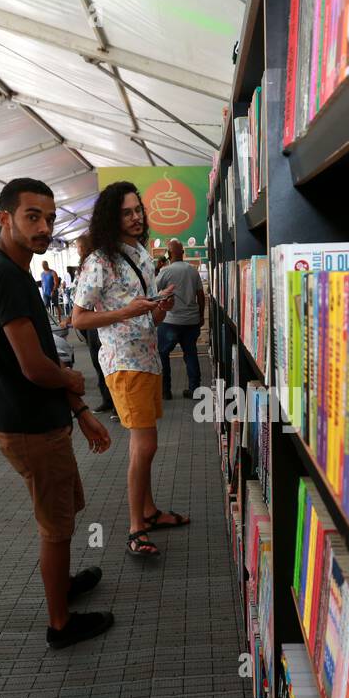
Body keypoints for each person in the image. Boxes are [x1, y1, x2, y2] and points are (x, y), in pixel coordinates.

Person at [0, 177, 114, 650]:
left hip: (38, 418)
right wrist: (73, 383)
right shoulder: (5, 277)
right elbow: (34, 366)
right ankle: (60, 624)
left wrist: (79, 409)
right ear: (4, 218)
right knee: (55, 527)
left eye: (49, 218)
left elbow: (34, 361)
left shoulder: (14, 271)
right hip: (30, 424)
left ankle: (63, 585)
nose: (44, 227)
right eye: (33, 216)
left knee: (63, 516)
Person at [72, 181, 190, 559]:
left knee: (147, 444)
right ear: (111, 216)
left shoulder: (139, 253)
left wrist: (158, 308)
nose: (136, 216)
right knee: (145, 445)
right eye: (127, 212)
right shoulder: (98, 261)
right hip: (124, 361)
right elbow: (78, 319)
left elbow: (146, 314)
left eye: (138, 209)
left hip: (147, 356)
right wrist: (128, 312)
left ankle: (149, 512)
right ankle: (135, 528)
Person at [155, 239, 205, 400]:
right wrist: (201, 316)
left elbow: (154, 292)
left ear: (169, 255)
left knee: (163, 354)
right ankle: (195, 389)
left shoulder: (165, 271)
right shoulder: (193, 270)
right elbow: (201, 296)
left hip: (170, 321)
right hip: (191, 321)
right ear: (183, 253)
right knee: (190, 354)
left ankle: (165, 391)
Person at [76, 239, 113, 414]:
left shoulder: (96, 264)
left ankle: (115, 403)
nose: (77, 250)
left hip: (99, 320)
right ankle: (107, 399)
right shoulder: (86, 265)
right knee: (98, 362)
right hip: (91, 322)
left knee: (107, 361)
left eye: (78, 247)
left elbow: (92, 297)